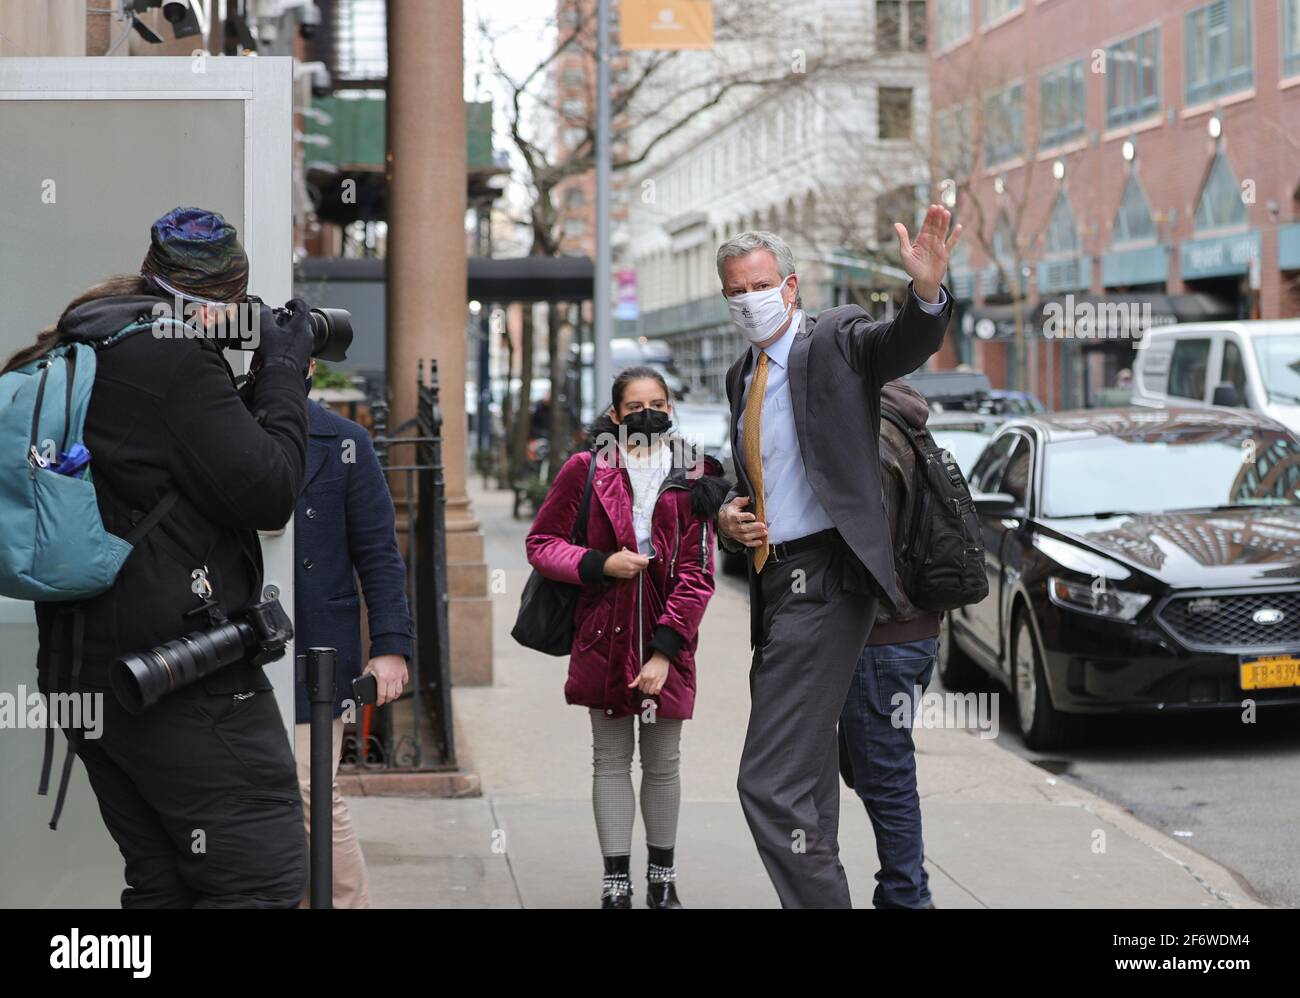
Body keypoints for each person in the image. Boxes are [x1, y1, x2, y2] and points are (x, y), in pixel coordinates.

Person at [6, 206, 314, 907]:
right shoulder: (172, 357)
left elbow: (178, 467)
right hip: (177, 679)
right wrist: (286, 369)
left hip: (91, 672)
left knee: (165, 883)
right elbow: (268, 493)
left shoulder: (93, 334)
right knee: (259, 881)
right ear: (224, 301)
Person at [715, 210, 961, 908]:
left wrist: (926, 293)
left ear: (790, 288)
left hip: (826, 580)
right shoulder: (743, 375)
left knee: (766, 784)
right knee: (810, 781)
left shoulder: (834, 340)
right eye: (735, 291)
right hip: (775, 589)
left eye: (760, 285)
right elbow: (760, 480)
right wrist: (728, 517)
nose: (748, 300)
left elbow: (901, 343)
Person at [525, 366, 730, 908]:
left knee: (663, 762)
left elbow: (698, 573)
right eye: (637, 405)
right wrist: (598, 563)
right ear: (615, 415)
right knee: (610, 759)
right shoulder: (586, 469)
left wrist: (665, 651)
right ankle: (616, 883)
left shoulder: (694, 473)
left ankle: (662, 880)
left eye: (659, 403)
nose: (649, 413)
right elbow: (542, 543)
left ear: (670, 409)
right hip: (603, 636)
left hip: (670, 639)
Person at [292, 359, 413, 908]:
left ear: (311, 365)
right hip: (234, 646)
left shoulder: (346, 441)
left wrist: (389, 647)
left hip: (317, 647)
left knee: (311, 788)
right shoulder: (224, 431)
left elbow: (379, 554)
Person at [836, 379, 942, 910]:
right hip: (912, 631)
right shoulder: (905, 425)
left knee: (886, 776)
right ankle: (909, 889)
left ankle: (905, 898)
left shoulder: (872, 441)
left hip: (881, 634)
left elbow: (866, 545)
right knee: (870, 765)